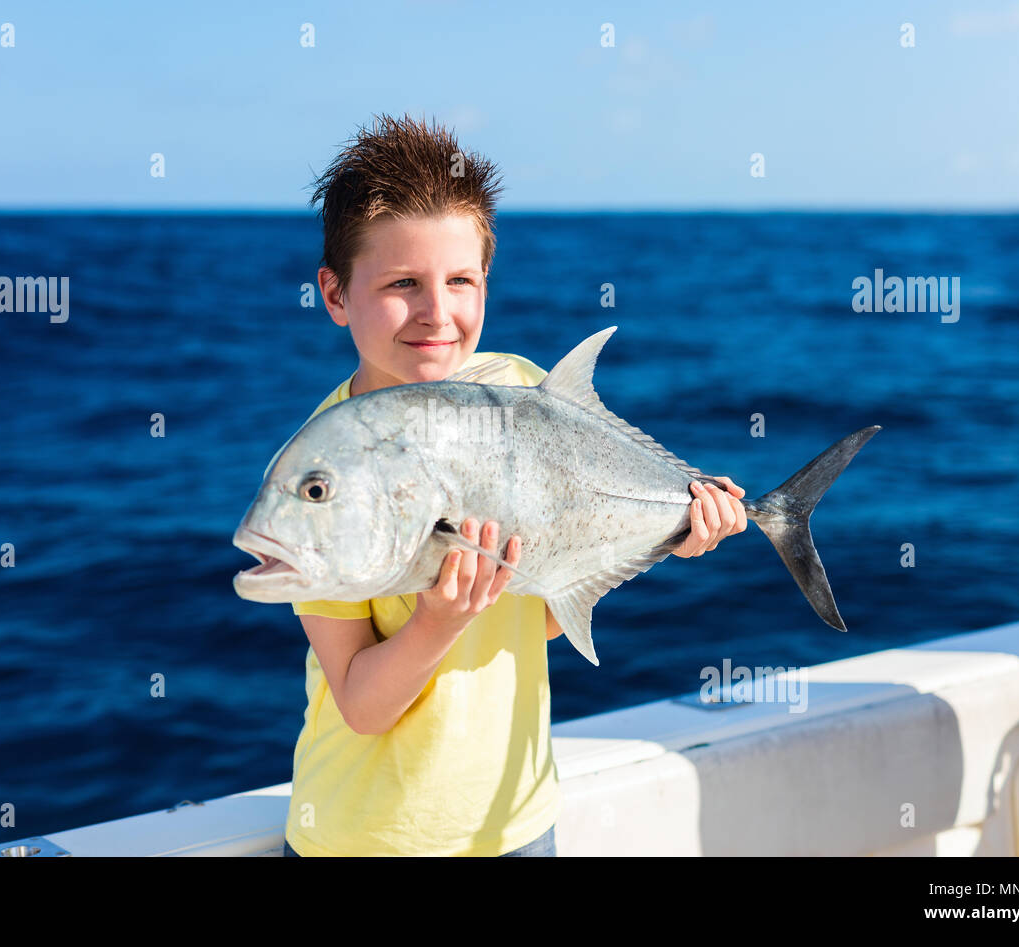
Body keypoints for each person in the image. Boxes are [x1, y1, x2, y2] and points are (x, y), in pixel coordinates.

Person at [278, 114, 746, 857]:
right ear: (334, 295)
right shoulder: (330, 470)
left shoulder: (524, 392)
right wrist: (438, 619)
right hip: (364, 837)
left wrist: (673, 535)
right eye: (403, 283)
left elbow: (540, 616)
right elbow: (362, 704)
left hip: (520, 825)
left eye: (460, 280)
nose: (438, 313)